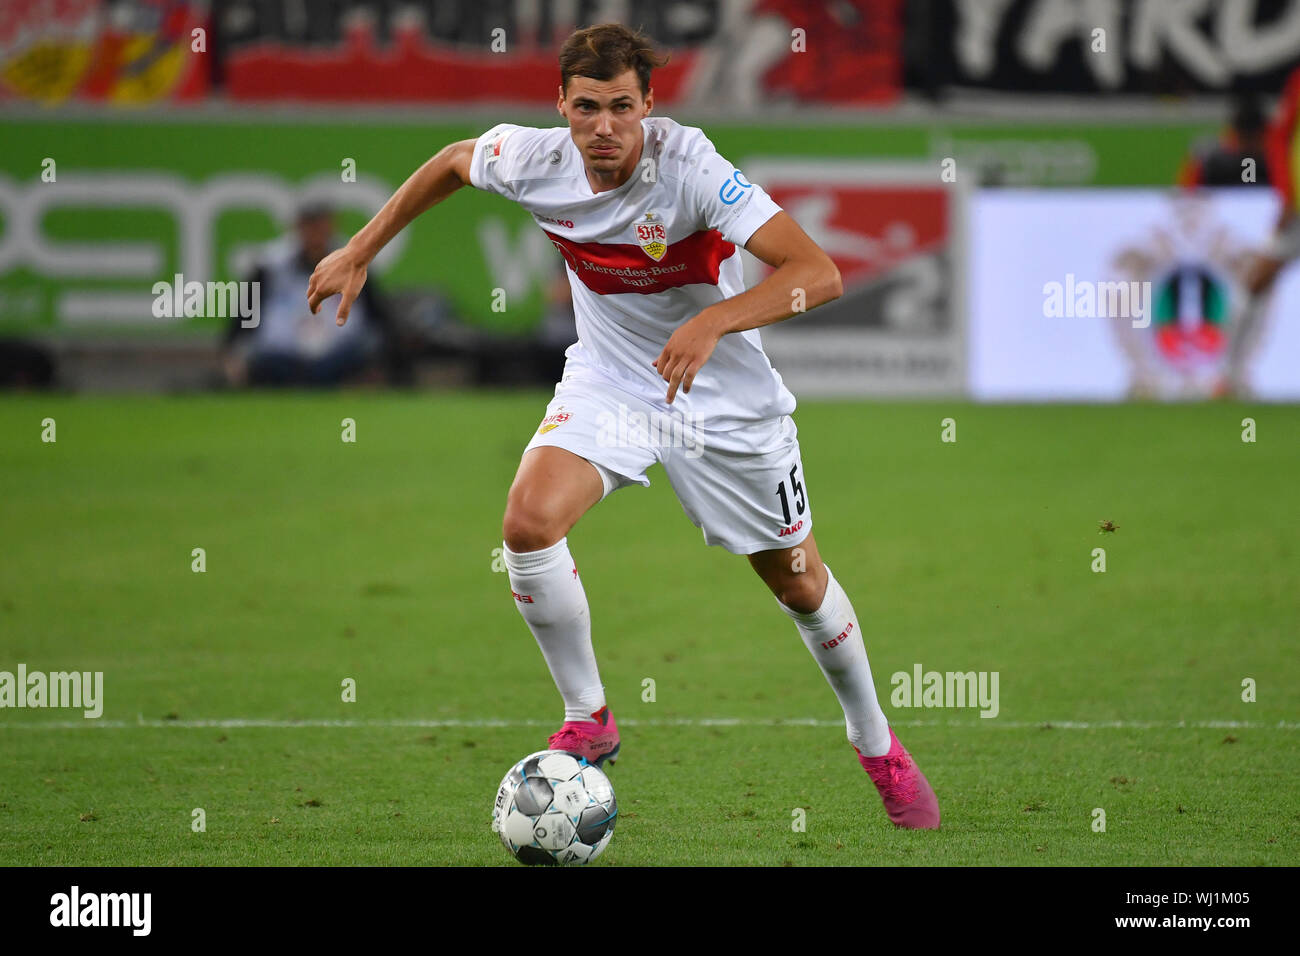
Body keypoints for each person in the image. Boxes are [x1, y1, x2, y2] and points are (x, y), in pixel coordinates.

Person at [307, 23, 939, 829]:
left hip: (724, 400)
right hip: (612, 385)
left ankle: (875, 742)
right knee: (528, 523)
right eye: (585, 107)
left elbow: (820, 273)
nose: (602, 126)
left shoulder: (692, 167)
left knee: (797, 581)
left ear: (648, 106)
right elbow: (453, 162)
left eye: (620, 107)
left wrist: (716, 325)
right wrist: (362, 247)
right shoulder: (535, 159)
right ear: (561, 107)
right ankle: (590, 716)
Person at [224, 202, 403, 388]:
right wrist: (232, 351)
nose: (315, 234)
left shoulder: (354, 262)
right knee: (251, 354)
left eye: (321, 226)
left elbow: (377, 314)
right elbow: (244, 317)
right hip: (280, 356)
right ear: (298, 228)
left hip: (340, 354)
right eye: (310, 226)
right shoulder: (269, 266)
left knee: (372, 344)